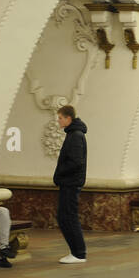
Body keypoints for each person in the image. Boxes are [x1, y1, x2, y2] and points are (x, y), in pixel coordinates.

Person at [53, 105, 87, 264]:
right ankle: (76, 252)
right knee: (64, 217)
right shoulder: (73, 134)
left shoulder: (75, 135)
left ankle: (79, 253)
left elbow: (76, 162)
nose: (58, 121)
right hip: (68, 182)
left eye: (60, 118)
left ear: (68, 118)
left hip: (70, 183)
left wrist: (60, 173)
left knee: (69, 217)